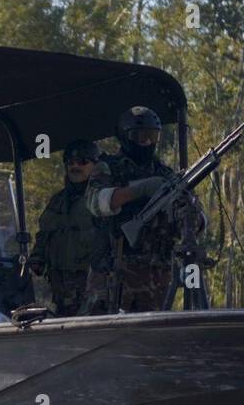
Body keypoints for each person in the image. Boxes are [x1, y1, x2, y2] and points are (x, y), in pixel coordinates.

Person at [82, 106, 203, 314]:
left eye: (152, 137)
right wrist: (141, 189)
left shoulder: (166, 174)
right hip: (115, 273)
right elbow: (96, 203)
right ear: (125, 137)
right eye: (140, 137)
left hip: (156, 278)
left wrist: (189, 209)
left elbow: (197, 226)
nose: (147, 143)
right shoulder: (108, 167)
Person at [29, 138, 101, 316]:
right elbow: (44, 233)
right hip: (61, 292)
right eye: (70, 162)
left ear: (95, 165)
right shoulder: (58, 201)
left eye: (82, 162)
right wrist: (37, 258)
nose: (75, 167)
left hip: (92, 290)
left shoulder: (102, 199)